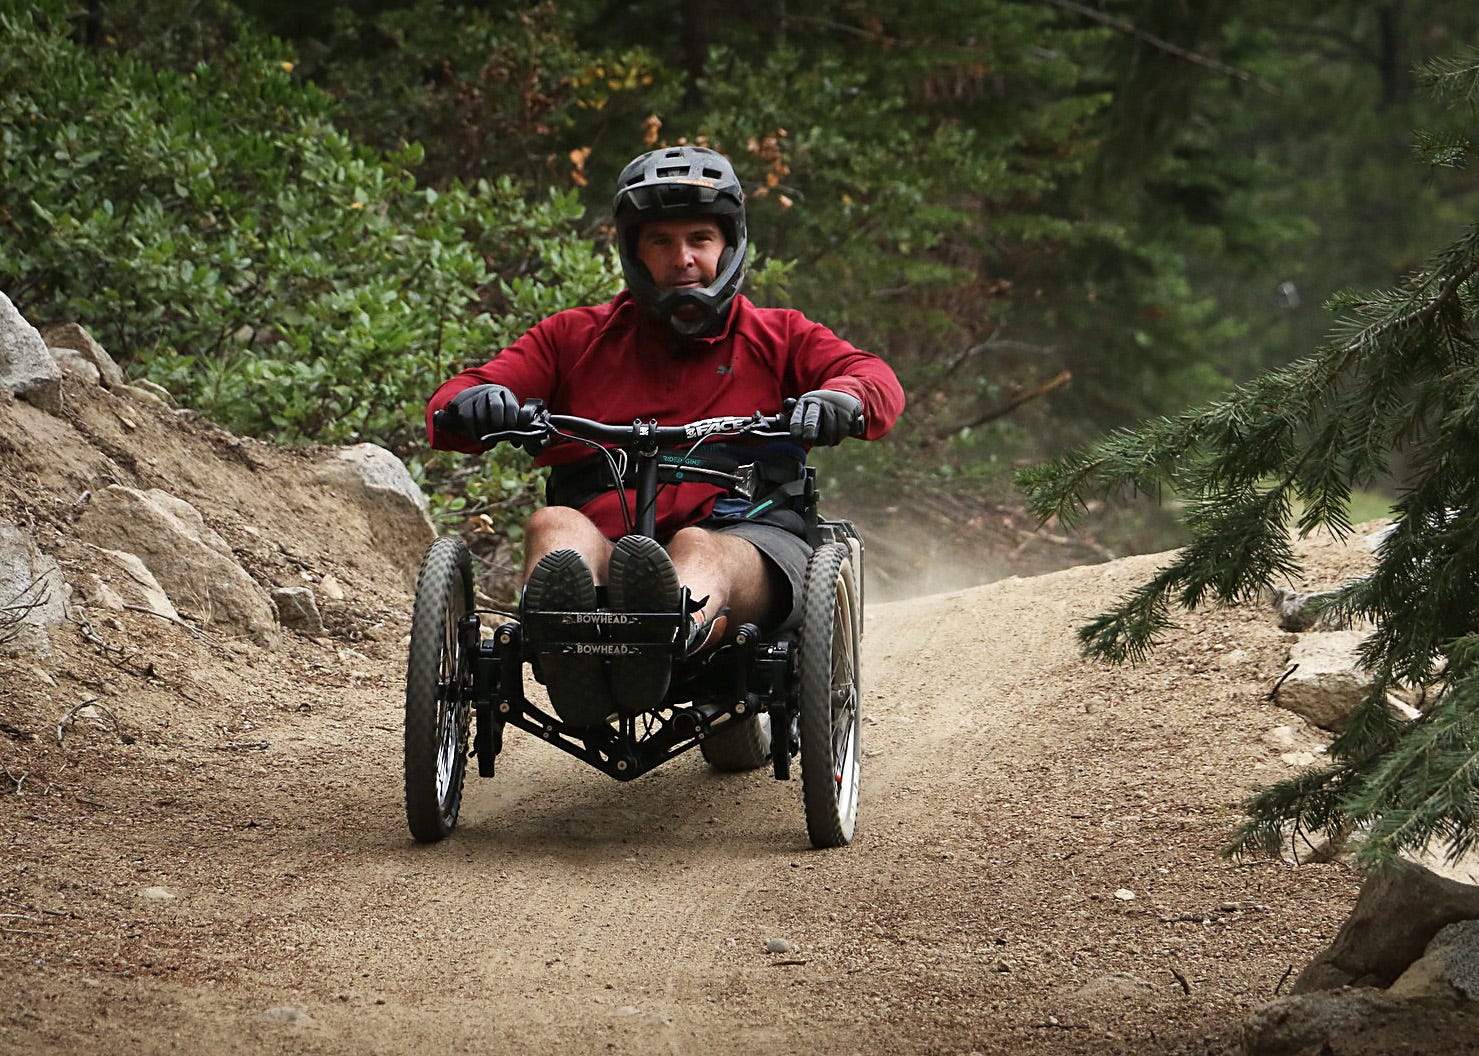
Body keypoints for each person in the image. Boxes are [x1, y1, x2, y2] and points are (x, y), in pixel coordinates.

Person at [427, 144, 904, 723]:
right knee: (553, 523)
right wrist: (477, 405)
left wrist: (841, 401)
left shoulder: (780, 335)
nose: (683, 259)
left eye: (699, 239)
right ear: (634, 251)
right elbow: (455, 399)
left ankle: (659, 641)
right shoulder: (573, 338)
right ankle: (573, 649)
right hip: (606, 545)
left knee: (697, 547)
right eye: (661, 241)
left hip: (746, 535)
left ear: (728, 245)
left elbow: (873, 379)